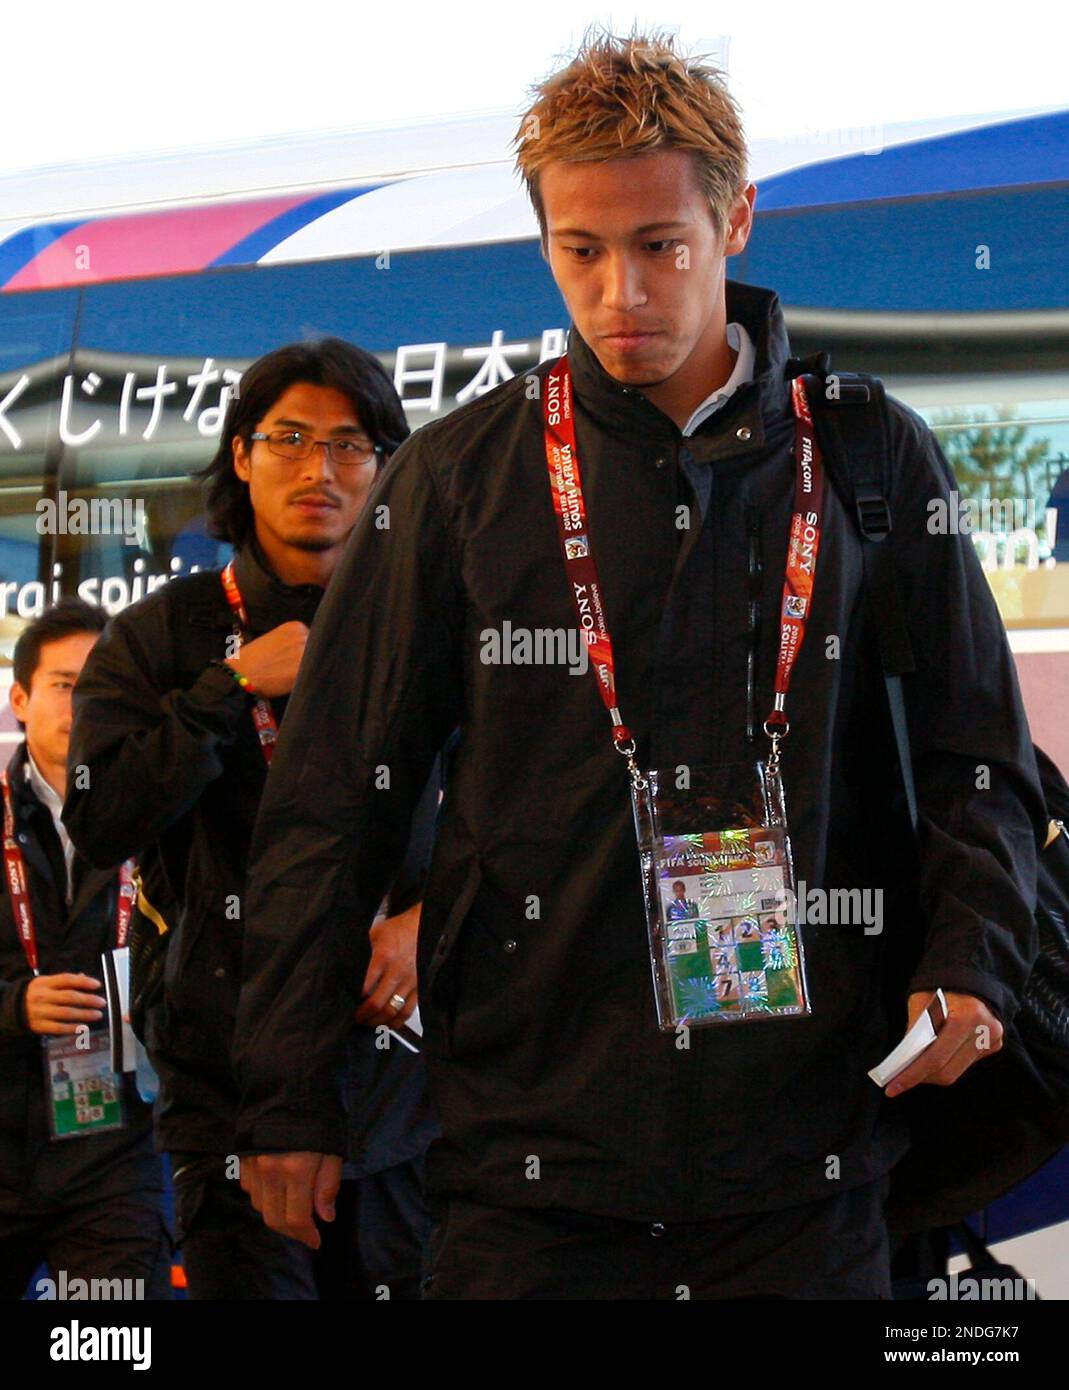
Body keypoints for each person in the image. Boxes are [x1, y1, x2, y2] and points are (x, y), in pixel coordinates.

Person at [232, 34, 1047, 1299]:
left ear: (736, 220)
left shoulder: (872, 459)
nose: (620, 294)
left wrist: (971, 959)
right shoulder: (457, 481)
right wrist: (284, 1095)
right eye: (581, 251)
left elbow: (975, 757)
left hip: (808, 1167)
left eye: (659, 245)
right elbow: (332, 799)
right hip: (528, 1175)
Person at [64, 340, 439, 1300]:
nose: (319, 470)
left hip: (409, 1082)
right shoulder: (160, 635)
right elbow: (102, 821)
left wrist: (425, 921)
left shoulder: (434, 620)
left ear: (387, 466)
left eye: (352, 445)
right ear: (240, 455)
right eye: (290, 439)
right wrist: (225, 689)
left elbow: (519, 811)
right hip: (225, 1081)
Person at [0, 600, 170, 1300]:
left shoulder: (169, 816)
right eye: (66, 685)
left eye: (102, 685)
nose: (85, 703)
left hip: (115, 1148)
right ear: (19, 700)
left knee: (110, 1346)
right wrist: (13, 1003)